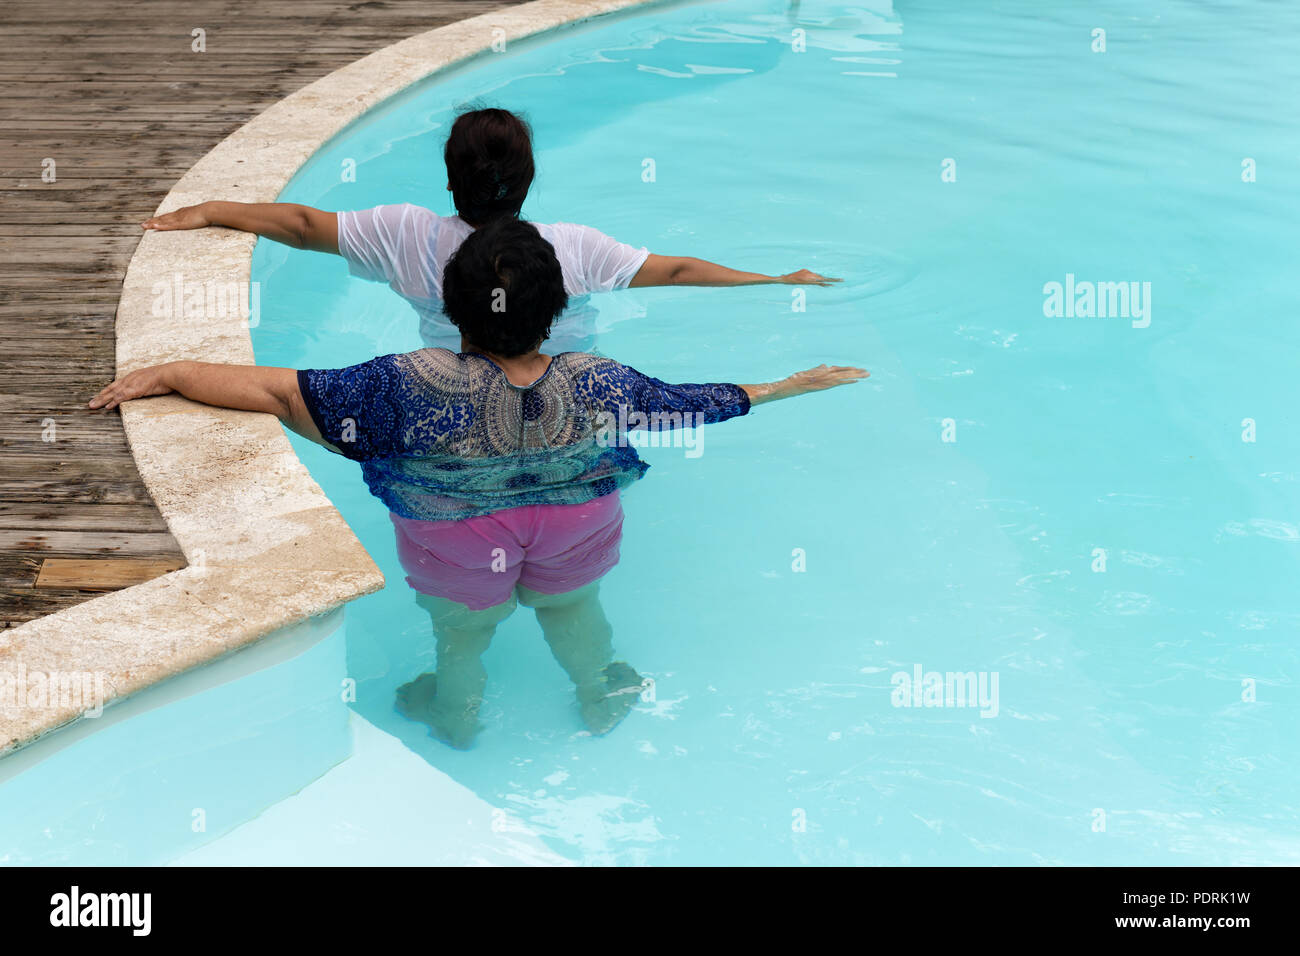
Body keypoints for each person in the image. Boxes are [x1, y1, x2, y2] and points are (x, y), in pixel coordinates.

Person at [92, 220, 867, 748]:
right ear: (558, 310)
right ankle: (598, 689)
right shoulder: (599, 379)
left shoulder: (400, 383)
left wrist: (170, 371)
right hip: (576, 519)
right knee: (574, 608)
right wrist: (786, 386)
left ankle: (456, 711)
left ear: (449, 307)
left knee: (461, 632)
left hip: (456, 534)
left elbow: (277, 392)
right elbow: (692, 404)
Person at [140, 107, 840, 350]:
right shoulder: (572, 247)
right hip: (562, 379)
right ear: (530, 181)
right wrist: (777, 280)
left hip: (451, 373)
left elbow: (296, 223)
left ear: (450, 179)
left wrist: (213, 210)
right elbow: (680, 272)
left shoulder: (402, 232)